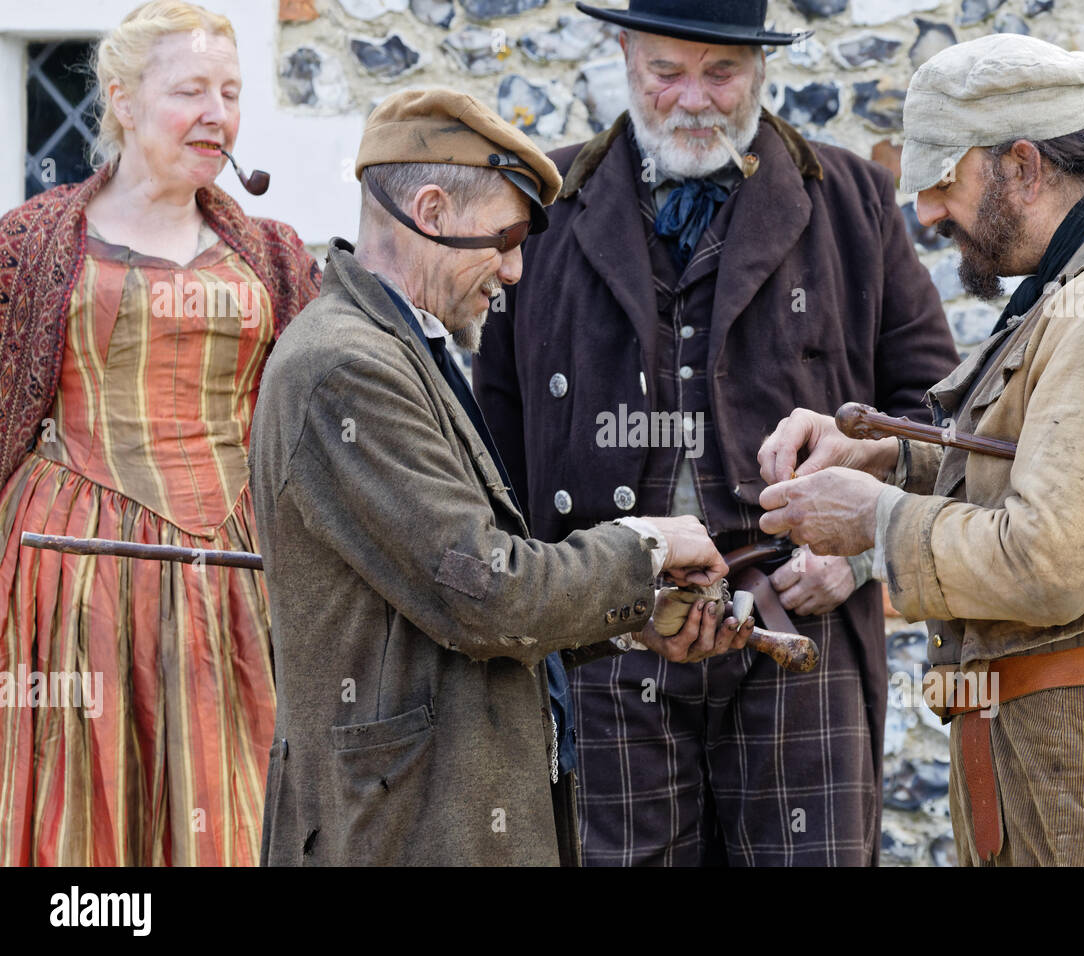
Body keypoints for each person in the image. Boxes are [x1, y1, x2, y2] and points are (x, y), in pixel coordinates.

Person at [758, 33, 1084, 866]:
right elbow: (1043, 466)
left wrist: (877, 522)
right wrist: (885, 459)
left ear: (1023, 167)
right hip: (1070, 754)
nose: (924, 214)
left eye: (943, 183)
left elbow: (1054, 556)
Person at [474, 0, 959, 865]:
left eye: (720, 72)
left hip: (798, 624)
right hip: (610, 631)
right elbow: (497, 442)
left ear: (761, 68)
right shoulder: (546, 207)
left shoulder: (850, 202)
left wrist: (861, 550)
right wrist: (546, 603)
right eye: (666, 71)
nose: (693, 98)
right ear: (625, 55)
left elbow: (936, 414)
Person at [249, 87, 754, 867]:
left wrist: (634, 613)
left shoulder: (403, 348)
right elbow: (484, 593)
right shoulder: (345, 368)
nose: (517, 271)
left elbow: (451, 598)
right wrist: (644, 543)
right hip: (396, 835)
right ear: (432, 209)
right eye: (506, 238)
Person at [0, 0, 320, 866]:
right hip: (71, 564)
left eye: (231, 92)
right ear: (124, 100)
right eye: (191, 92)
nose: (217, 114)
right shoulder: (31, 242)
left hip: (235, 567)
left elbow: (317, 411)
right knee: (86, 794)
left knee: (234, 787)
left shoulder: (274, 254)